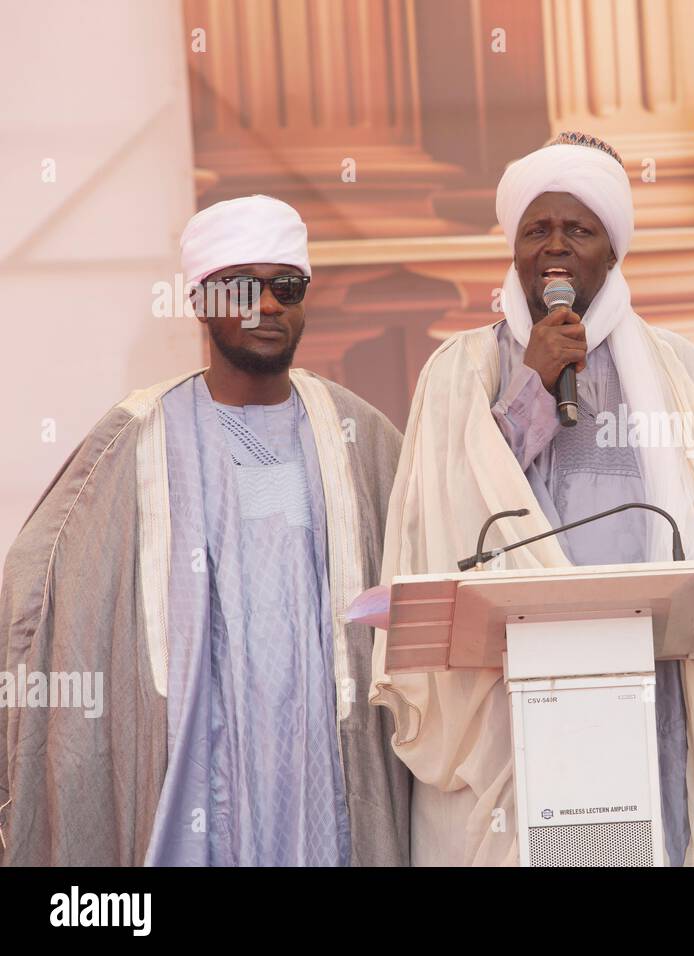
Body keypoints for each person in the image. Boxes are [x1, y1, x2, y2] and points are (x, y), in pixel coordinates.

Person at [370, 133, 694, 866]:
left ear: (612, 249)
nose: (555, 247)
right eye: (536, 230)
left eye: (577, 230)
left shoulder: (677, 370)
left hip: (657, 676)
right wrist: (530, 391)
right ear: (513, 249)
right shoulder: (461, 371)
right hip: (511, 695)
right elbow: (447, 521)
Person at [0, 195, 410, 866]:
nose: (268, 305)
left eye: (287, 286)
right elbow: (39, 583)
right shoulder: (137, 437)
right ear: (199, 299)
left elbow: (431, 561)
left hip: (325, 769)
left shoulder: (355, 432)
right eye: (243, 286)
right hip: (195, 771)